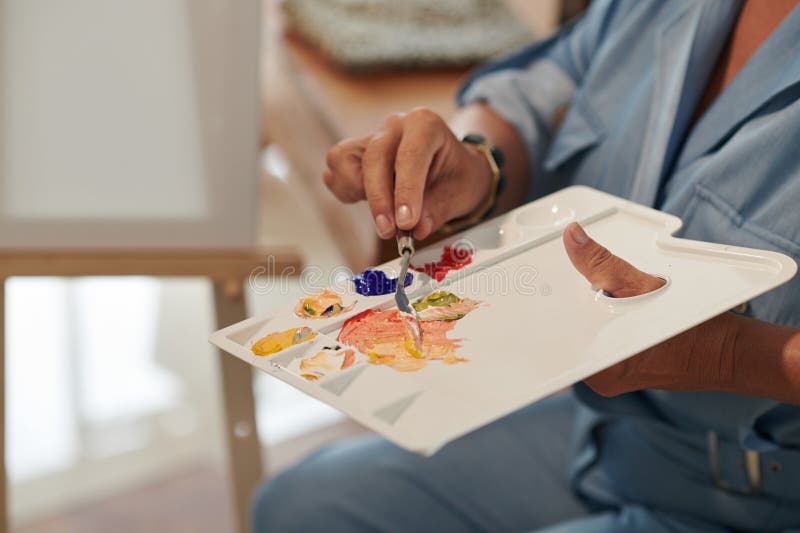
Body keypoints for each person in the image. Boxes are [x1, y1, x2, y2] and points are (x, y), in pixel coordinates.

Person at [253, 1, 800, 531]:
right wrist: (474, 161)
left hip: (766, 495)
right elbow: (539, 91)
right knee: (299, 506)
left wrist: (727, 354)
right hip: (611, 436)